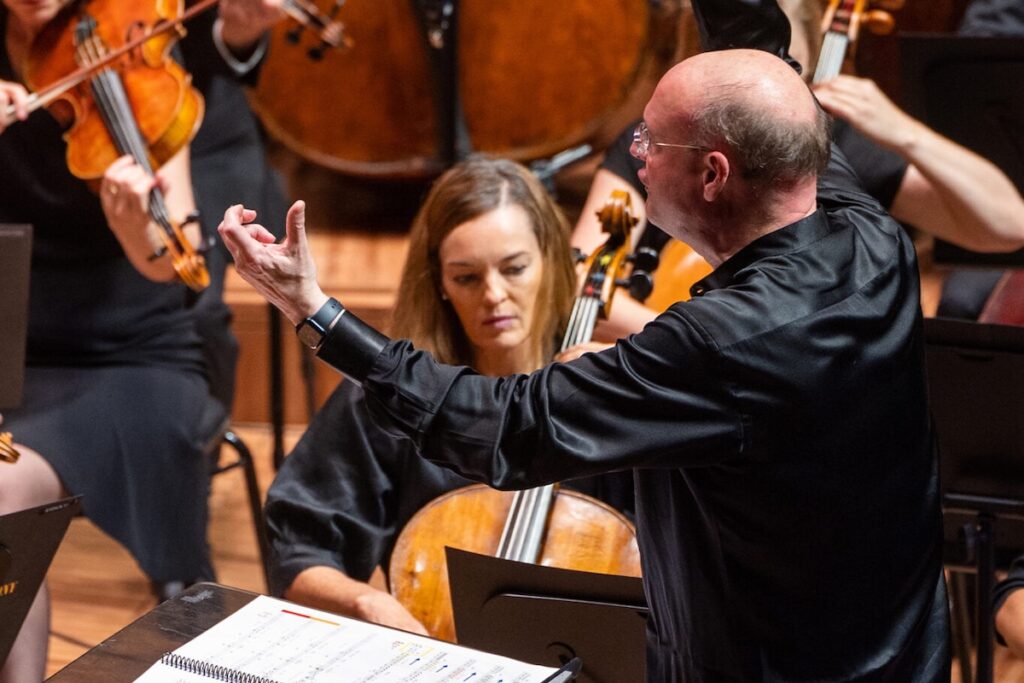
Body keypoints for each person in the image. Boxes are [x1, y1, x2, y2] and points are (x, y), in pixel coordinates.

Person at [222, 24, 950, 681]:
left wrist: (314, 308)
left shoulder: (714, 346)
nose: (633, 156)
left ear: (713, 173)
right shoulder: (870, 239)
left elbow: (507, 427)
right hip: (903, 649)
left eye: (650, 144)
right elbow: (761, 46)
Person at [263, 156, 636, 636]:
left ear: (549, 259)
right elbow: (300, 549)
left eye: (515, 268)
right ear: (438, 282)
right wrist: (369, 602)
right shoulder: (388, 396)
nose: (494, 295)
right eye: (466, 277)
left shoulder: (601, 386)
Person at [571, 0, 1024, 340]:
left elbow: (1006, 226)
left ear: (801, 56)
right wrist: (706, 346)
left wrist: (905, 133)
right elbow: (576, 282)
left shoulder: (835, 145)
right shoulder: (654, 140)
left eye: (772, 56)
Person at [0, 0, 213, 680]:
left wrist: (134, 229)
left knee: (0, 499)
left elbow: (178, 261)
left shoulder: (128, 40)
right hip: (12, 350)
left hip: (131, 354)